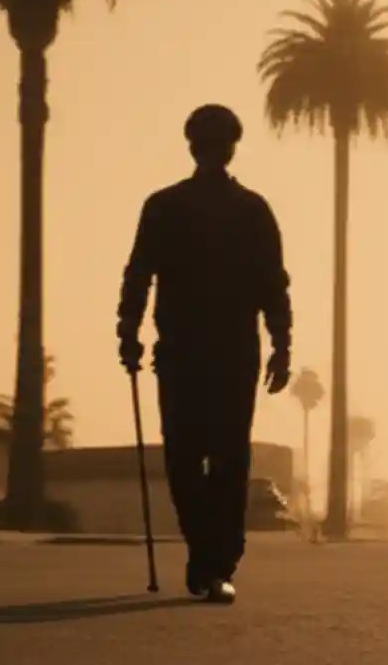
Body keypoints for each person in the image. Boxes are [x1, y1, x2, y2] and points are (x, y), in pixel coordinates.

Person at [116, 104, 293, 604]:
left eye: (220, 145)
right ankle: (209, 557)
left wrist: (282, 343)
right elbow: (139, 273)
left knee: (221, 460)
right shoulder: (166, 207)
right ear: (196, 148)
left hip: (227, 354)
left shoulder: (250, 211)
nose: (215, 153)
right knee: (193, 459)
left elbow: (272, 284)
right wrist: (127, 331)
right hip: (188, 353)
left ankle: (215, 561)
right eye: (209, 144)